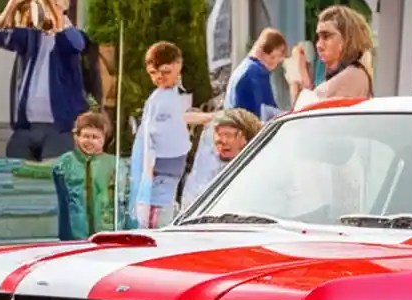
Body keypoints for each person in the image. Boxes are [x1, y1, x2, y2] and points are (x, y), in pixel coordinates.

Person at [0, 0, 88, 161]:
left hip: (60, 128)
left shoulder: (70, 37)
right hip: (26, 127)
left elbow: (77, 44)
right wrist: (16, 1)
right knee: (16, 168)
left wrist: (58, 12)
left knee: (52, 172)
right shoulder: (31, 38)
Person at [132, 41, 211, 229]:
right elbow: (166, 125)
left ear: (178, 65)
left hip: (173, 164)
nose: (159, 77)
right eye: (153, 73)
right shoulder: (159, 98)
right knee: (159, 213)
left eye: (165, 72)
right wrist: (209, 117)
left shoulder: (174, 93)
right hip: (161, 166)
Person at [290, 5, 373, 109]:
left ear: (346, 39)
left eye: (326, 36)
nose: (319, 45)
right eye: (319, 37)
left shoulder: (354, 74)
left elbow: (307, 108)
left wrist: (301, 76)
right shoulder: (346, 73)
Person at [180, 108, 261, 213]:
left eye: (228, 135)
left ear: (245, 139)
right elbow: (180, 118)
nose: (222, 141)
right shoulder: (209, 149)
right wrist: (217, 116)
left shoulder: (251, 170)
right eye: (219, 134)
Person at [52, 111, 116, 240]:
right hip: (72, 234)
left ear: (105, 139)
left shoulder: (114, 164)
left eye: (95, 137)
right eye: (86, 136)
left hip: (105, 232)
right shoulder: (64, 164)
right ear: (76, 137)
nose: (90, 141)